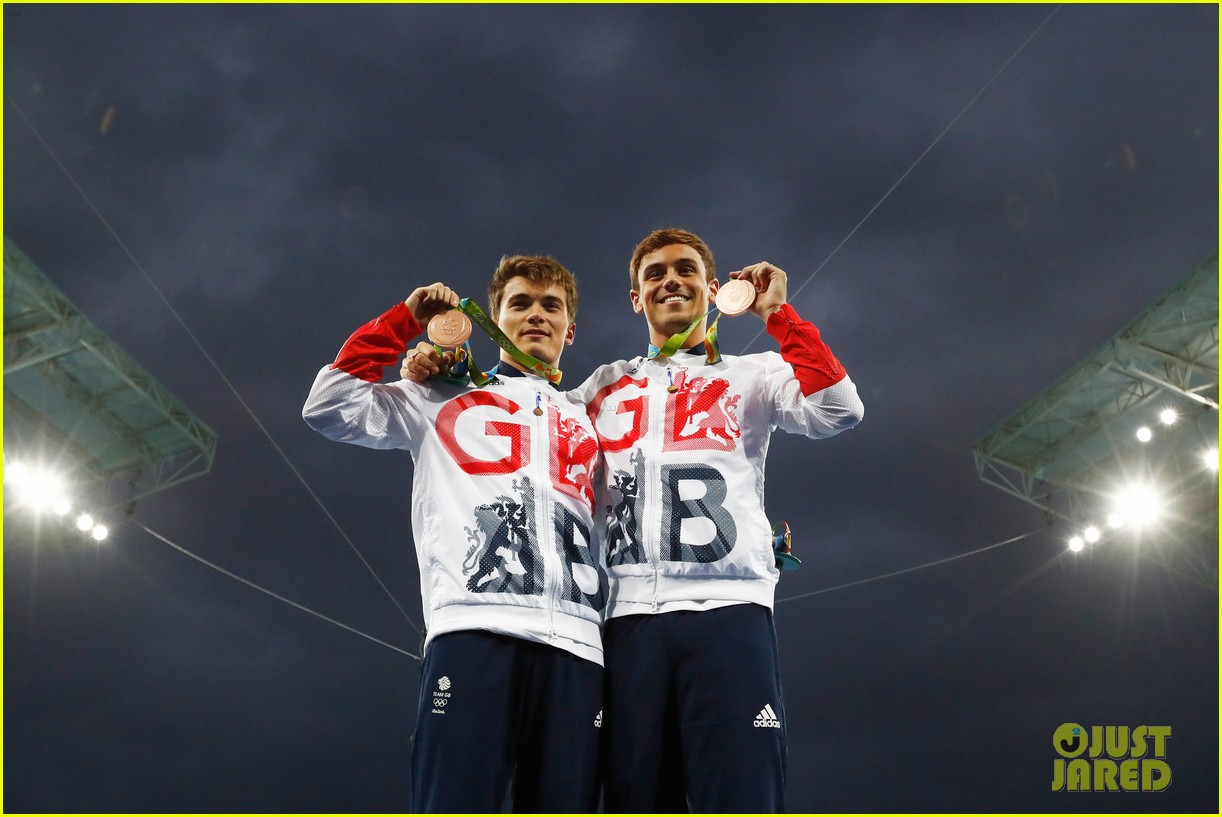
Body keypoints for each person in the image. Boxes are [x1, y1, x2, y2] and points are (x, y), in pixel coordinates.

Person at [569, 228, 864, 812]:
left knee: (740, 799)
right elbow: (526, 431)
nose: (669, 280)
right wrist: (445, 373)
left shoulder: (754, 372)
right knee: (635, 800)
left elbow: (839, 409)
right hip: (630, 623)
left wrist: (778, 316)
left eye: (684, 270)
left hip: (729, 614)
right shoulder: (601, 387)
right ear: (636, 298)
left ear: (712, 288)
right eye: (654, 273)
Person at [302, 255, 604, 813]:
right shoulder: (440, 393)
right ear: (492, 319)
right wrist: (405, 323)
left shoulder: (593, 418)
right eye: (519, 303)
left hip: (579, 649)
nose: (536, 315)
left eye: (550, 305)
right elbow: (328, 408)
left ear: (570, 326)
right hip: (474, 630)